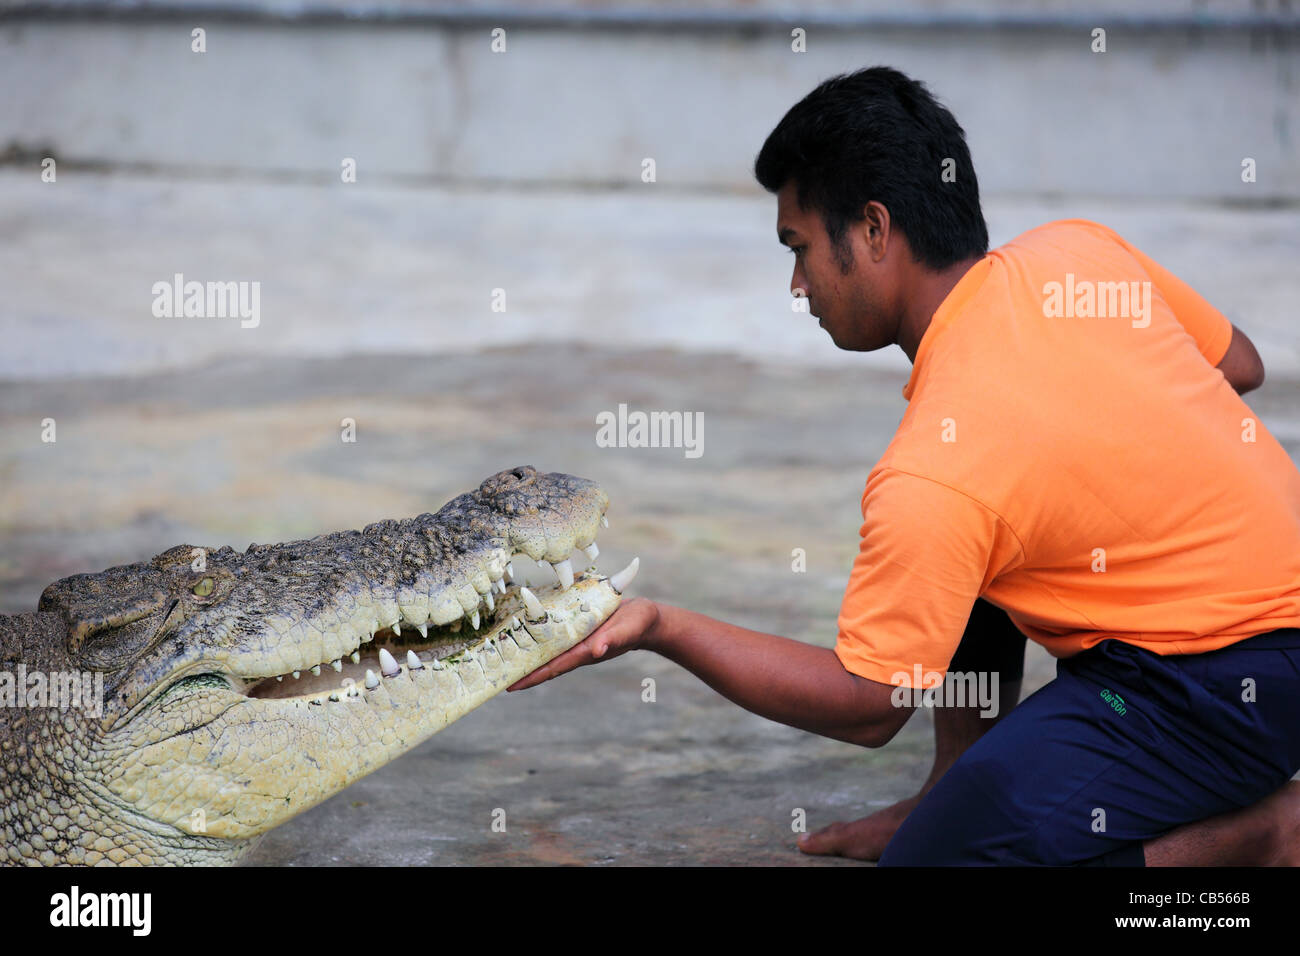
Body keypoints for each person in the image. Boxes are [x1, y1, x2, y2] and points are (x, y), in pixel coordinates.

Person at [508, 66, 1300, 866]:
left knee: (945, 860)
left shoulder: (939, 469)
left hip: (1225, 685)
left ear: (876, 231)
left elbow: (867, 706)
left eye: (800, 248)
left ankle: (1263, 838)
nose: (795, 286)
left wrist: (662, 625)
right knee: (988, 544)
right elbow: (1241, 363)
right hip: (1254, 635)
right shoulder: (1080, 251)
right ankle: (949, 779)